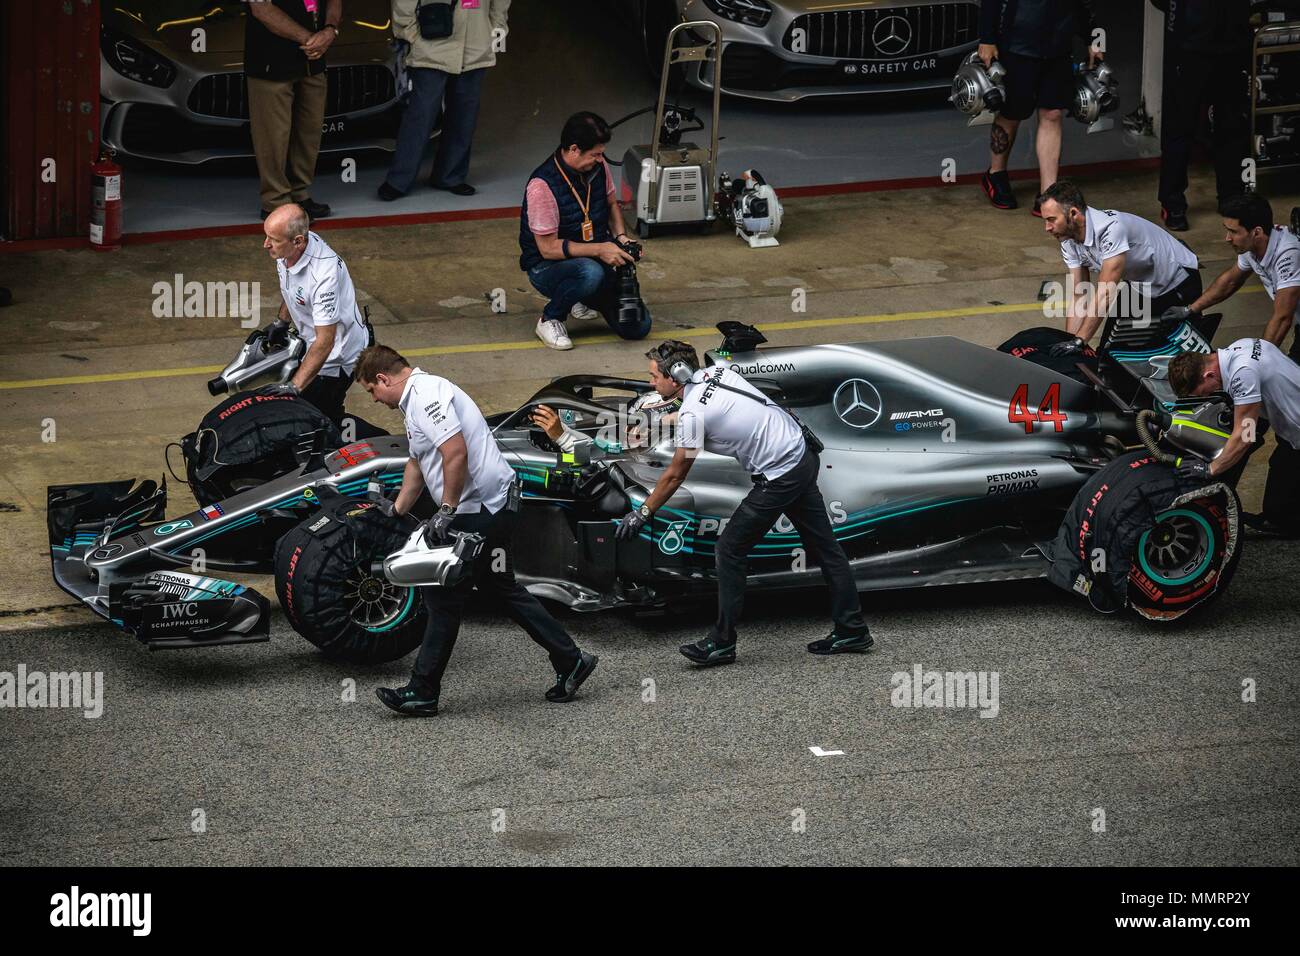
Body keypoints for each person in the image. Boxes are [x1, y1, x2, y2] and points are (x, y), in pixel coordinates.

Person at [356, 345, 599, 716]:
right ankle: (571, 659)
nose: (374, 400)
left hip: (482, 510)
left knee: (442, 597)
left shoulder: (427, 396)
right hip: (489, 506)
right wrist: (398, 507)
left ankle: (423, 692)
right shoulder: (415, 400)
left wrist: (447, 510)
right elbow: (418, 460)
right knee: (500, 588)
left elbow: (455, 453)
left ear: (383, 379)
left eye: (372, 391)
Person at [617, 341, 873, 666]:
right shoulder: (717, 371)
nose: (652, 383)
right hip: (801, 455)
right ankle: (852, 629)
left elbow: (675, 475)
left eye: (655, 377)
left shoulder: (694, 411)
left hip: (781, 474)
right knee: (825, 547)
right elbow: (708, 411)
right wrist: (660, 421)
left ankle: (722, 642)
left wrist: (642, 513)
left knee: (729, 549)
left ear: (677, 375)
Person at [518, 111, 652, 350]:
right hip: (547, 267)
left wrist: (621, 239)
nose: (601, 159)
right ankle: (551, 318)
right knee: (590, 274)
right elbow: (547, 249)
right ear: (573, 149)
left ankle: (581, 296)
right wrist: (601, 249)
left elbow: (611, 204)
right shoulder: (542, 186)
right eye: (595, 154)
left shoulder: (598, 167)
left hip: (592, 257)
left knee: (638, 327)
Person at [1038, 180, 1202, 357]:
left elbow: (1105, 293)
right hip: (1140, 285)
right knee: (1107, 354)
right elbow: (1080, 293)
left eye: (1051, 220)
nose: (1047, 228)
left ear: (1073, 214)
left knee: (1174, 358)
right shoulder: (1067, 238)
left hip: (1178, 282)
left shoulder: (1111, 228)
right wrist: (1071, 342)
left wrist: (1080, 340)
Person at [977, 0, 1102, 214]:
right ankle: (996, 173)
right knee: (1012, 112)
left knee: (1052, 113)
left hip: (1058, 46)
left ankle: (1048, 191)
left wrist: (1094, 38)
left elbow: (1082, 3)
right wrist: (987, 38)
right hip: (1016, 44)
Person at [377, 0, 511, 201]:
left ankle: (450, 176)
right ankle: (399, 180)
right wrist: (411, 36)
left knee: (464, 117)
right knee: (420, 117)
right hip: (431, 45)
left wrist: (495, 29)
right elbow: (403, 4)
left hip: (475, 47)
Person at [262, 204, 376, 434]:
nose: (265, 244)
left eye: (272, 239)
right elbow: (292, 288)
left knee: (319, 419)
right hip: (313, 343)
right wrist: (282, 321)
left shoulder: (324, 275)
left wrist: (294, 386)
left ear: (298, 241)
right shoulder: (289, 249)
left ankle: (374, 443)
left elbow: (326, 341)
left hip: (336, 358)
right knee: (311, 415)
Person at [1169, 339, 1300, 537]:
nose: (1212, 393)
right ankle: (1281, 518)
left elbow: (1245, 436)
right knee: (1279, 494)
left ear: (1209, 375)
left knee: (1279, 504)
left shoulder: (1243, 374)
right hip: (1291, 424)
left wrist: (1210, 469)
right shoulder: (1242, 345)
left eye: (1207, 390)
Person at [1149, 0, 1252, 231]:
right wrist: (1181, 18)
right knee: (1179, 126)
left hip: (1233, 44)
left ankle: (1231, 196)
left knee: (1232, 124)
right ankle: (1172, 202)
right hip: (1188, 44)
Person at [243, 0, 339, 221]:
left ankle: (300, 195)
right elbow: (261, 8)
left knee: (309, 132)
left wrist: (330, 29)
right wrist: (310, 40)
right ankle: (276, 203)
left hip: (312, 62)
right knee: (273, 137)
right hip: (271, 61)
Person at [1178, 193, 1300, 360]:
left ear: (1256, 232)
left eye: (1233, 232)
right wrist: (1190, 309)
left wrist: (1257, 360)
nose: (1227, 238)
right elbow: (1231, 280)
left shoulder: (1288, 254)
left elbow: (1283, 317)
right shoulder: (1253, 245)